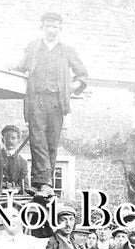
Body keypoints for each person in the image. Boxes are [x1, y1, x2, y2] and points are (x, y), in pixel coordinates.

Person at [13, 11, 88, 198]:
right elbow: (20, 65)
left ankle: (42, 184)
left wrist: (71, 88)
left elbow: (82, 75)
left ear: (60, 29)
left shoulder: (67, 50)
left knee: (52, 142)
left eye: (55, 26)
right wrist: (9, 65)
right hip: (36, 98)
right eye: (48, 26)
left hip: (57, 101)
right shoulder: (33, 47)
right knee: (37, 139)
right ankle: (43, 183)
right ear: (42, 27)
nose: (51, 30)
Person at [0, 124, 29, 192]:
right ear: (3, 140)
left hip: (16, 197)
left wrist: (17, 188)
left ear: (18, 140)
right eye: (7, 138)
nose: (10, 141)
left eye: (13, 138)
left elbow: (25, 185)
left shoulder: (22, 162)